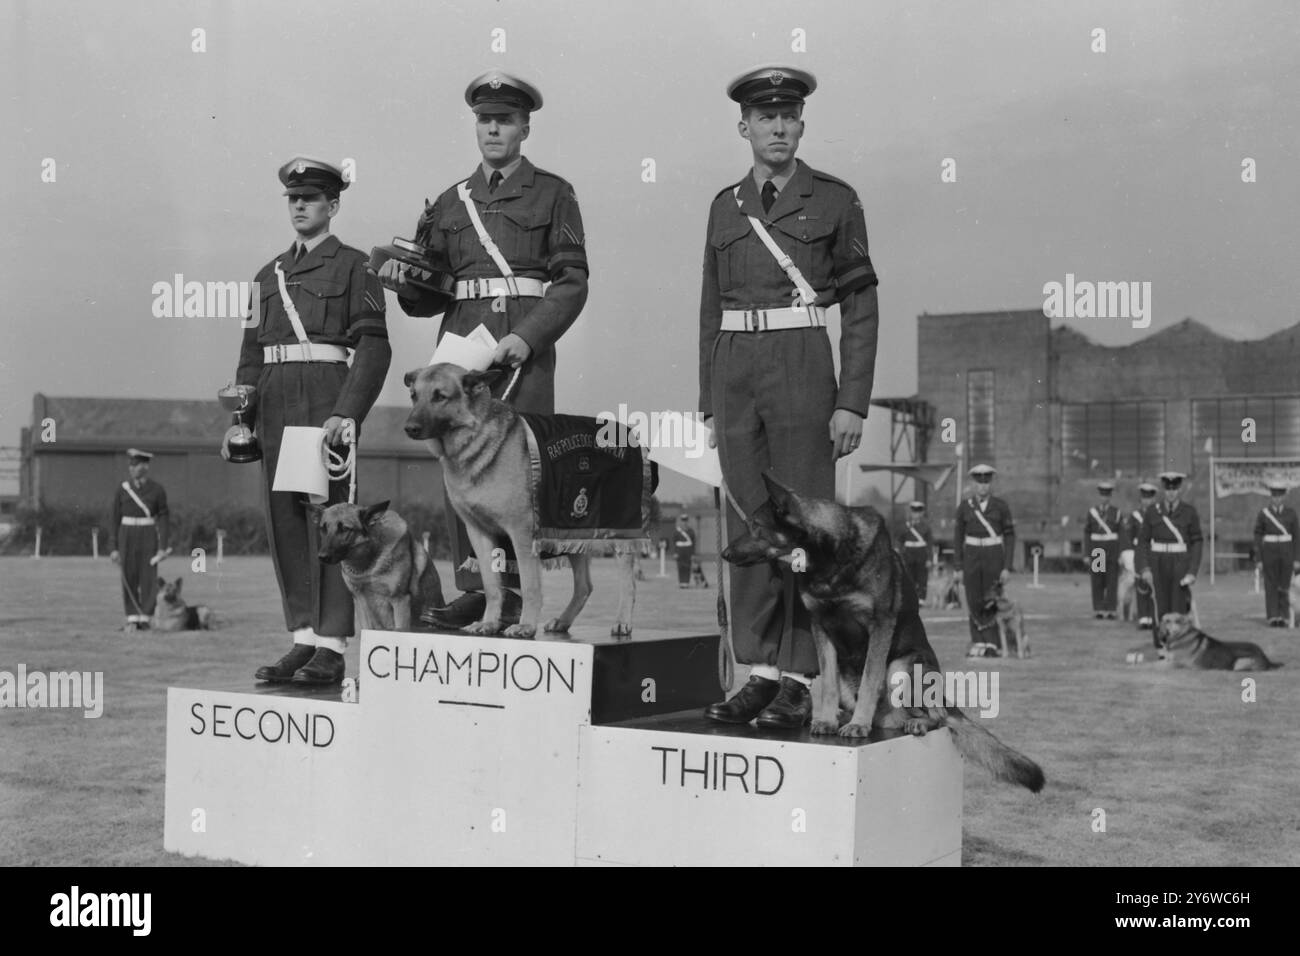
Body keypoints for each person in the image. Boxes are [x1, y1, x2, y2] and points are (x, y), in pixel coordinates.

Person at [699, 65, 880, 729]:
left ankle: (805, 678)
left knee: (805, 527)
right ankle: (759, 672)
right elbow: (709, 307)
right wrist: (710, 402)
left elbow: (860, 306)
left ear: (801, 124)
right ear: (743, 126)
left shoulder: (836, 200)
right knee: (752, 526)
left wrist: (852, 401)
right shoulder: (725, 205)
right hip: (735, 369)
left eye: (787, 116)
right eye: (763, 116)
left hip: (804, 365)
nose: (777, 126)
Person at [380, 71, 589, 630]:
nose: (493, 129)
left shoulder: (554, 193)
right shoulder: (451, 201)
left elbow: (572, 282)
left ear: (525, 126)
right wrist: (406, 284)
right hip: (461, 345)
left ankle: (521, 593)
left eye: (504, 119)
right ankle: (478, 587)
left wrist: (529, 336)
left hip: (523, 342)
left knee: (523, 471)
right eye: (484, 119)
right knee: (458, 464)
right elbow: (429, 295)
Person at [224, 157, 391, 685]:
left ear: (332, 206)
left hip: (324, 397)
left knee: (332, 522)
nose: (299, 205)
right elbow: (250, 357)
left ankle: (333, 644)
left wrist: (347, 411)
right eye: (293, 198)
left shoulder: (356, 266)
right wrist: (241, 421)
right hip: (274, 401)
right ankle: (303, 638)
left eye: (311, 198)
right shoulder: (264, 276)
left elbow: (373, 346)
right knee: (285, 521)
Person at [954, 464, 1015, 656]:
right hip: (971, 555)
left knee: (991, 598)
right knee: (973, 598)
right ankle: (978, 641)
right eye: (979, 483)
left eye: (986, 482)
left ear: (991, 484)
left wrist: (1007, 566)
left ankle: (992, 643)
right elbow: (958, 537)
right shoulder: (964, 507)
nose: (983, 487)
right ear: (973, 484)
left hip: (993, 555)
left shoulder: (1001, 506)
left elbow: (1010, 536)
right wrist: (958, 566)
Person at [1136, 471, 1202, 643]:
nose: (1171, 492)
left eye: (1174, 488)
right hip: (1157, 563)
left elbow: (1197, 542)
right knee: (1159, 606)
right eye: (1168, 488)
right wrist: (1144, 568)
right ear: (1163, 490)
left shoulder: (1189, 512)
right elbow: (1143, 541)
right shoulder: (1152, 512)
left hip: (1180, 562)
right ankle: (1160, 646)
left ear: (1179, 489)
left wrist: (1193, 571)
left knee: (1178, 607)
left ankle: (1179, 645)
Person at [109, 448, 170, 631]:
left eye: (136, 465)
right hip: (126, 534)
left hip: (147, 533)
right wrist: (113, 547)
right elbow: (114, 519)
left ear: (145, 467)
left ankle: (145, 618)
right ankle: (132, 618)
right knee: (129, 575)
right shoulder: (122, 489)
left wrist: (162, 546)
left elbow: (164, 518)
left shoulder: (157, 490)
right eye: (131, 465)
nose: (132, 469)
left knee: (148, 576)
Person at [1253, 480, 1300, 626]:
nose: (1277, 498)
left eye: (1279, 496)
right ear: (1271, 496)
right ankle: (1273, 617)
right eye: (1274, 495)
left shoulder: (1291, 513)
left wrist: (1297, 558)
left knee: (1285, 585)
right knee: (1271, 584)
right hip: (1270, 552)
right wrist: (1259, 559)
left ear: (1284, 497)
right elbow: (1257, 536)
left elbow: (1297, 537)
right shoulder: (1263, 514)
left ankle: (1285, 616)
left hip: (1287, 551)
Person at [1084, 480, 1121, 619]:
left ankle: (1111, 609)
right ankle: (1098, 608)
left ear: (1110, 497)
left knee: (1112, 580)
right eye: (1102, 495)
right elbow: (1087, 533)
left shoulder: (1116, 512)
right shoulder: (1092, 512)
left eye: (1107, 495)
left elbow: (1121, 533)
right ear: (1099, 496)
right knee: (1098, 580)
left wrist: (1121, 553)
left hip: (1112, 548)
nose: (1104, 498)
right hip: (1097, 549)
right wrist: (1087, 554)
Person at [1124, 481, 1158, 628]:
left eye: (1150, 498)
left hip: (1155, 551)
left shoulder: (1158, 515)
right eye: (1145, 497)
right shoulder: (1134, 516)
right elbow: (1128, 537)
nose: (1147, 501)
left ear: (1153, 499)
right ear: (1141, 499)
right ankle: (1143, 617)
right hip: (1139, 552)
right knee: (1141, 585)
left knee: (1154, 585)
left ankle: (1153, 616)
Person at [896, 500, 933, 601]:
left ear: (922, 513)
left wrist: (930, 558)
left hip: (921, 553)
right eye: (914, 512)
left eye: (918, 512)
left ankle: (921, 598)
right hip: (909, 553)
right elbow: (900, 540)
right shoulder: (905, 526)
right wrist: (900, 553)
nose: (916, 514)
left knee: (922, 576)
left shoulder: (926, 526)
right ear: (911, 513)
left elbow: (929, 543)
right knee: (909, 576)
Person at [673, 515, 696, 588]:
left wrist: (693, 554)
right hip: (679, 551)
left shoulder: (691, 531)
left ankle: (686, 583)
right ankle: (681, 582)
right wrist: (675, 552)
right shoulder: (677, 531)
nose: (684, 522)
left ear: (687, 521)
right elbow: (674, 542)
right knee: (680, 566)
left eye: (685, 521)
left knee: (687, 566)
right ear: (681, 522)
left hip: (688, 551)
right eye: (683, 521)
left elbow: (693, 543)